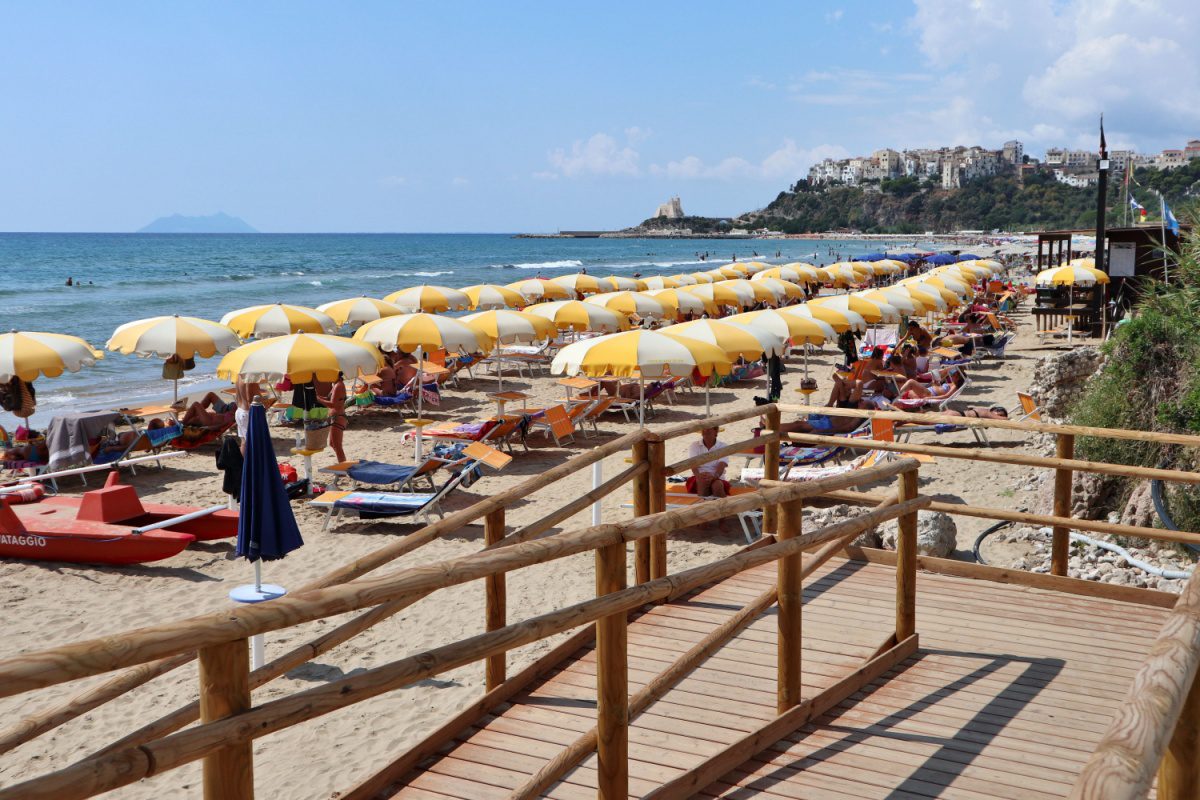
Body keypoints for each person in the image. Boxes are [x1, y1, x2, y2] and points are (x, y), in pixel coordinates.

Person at [686, 427, 729, 497]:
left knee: (717, 485)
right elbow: (693, 464)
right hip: (698, 477)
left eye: (708, 429)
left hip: (717, 477)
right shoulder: (694, 445)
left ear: (716, 432)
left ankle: (723, 506)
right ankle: (703, 506)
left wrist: (715, 476)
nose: (705, 430)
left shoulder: (723, 446)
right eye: (704, 429)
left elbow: (722, 464)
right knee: (702, 481)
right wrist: (698, 476)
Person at [316, 372, 348, 462]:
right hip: (336, 417)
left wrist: (318, 399)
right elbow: (329, 399)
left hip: (338, 417)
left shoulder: (338, 386)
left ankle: (343, 467)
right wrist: (317, 396)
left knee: (337, 446)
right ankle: (343, 464)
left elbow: (333, 404)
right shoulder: (336, 384)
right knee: (333, 444)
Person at [234, 377, 261, 452]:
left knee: (244, 442)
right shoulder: (251, 377)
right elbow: (250, 399)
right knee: (253, 443)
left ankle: (244, 463)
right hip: (247, 413)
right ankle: (252, 463)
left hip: (239, 411)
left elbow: (237, 397)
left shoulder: (239, 377)